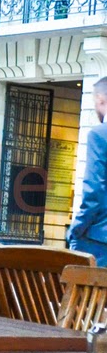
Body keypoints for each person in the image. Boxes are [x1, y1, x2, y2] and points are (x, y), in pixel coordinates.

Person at [69, 77, 107, 267]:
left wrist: (76, 229)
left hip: (100, 241)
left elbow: (94, 190)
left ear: (101, 99)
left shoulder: (100, 134)